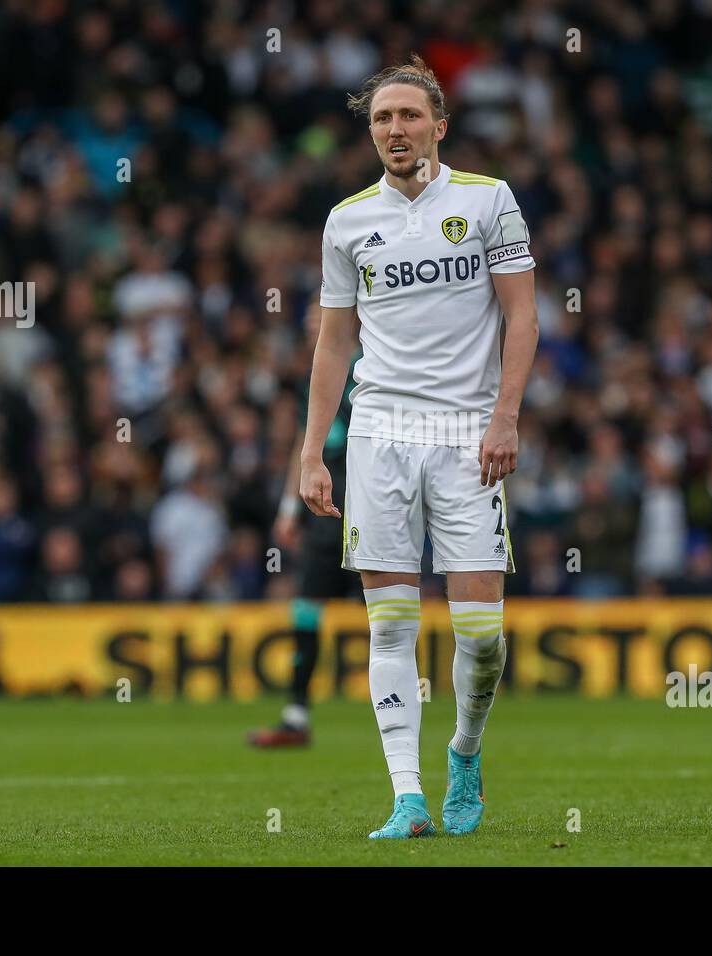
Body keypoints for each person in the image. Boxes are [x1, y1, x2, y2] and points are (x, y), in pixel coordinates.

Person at [301, 55, 538, 837]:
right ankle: (406, 797)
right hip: (378, 435)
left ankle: (464, 752)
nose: (395, 130)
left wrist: (505, 417)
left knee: (482, 638)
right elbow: (334, 345)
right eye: (381, 120)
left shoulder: (488, 200)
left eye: (408, 116)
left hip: (467, 435)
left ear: (440, 124)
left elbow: (523, 317)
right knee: (390, 626)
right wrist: (312, 450)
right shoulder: (347, 221)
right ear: (370, 133)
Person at [248, 296, 360, 747]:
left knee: (384, 606)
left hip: (365, 489)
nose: (313, 323)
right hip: (324, 498)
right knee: (307, 605)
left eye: (320, 315)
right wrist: (288, 508)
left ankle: (399, 714)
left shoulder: (370, 365)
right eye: (309, 317)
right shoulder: (313, 375)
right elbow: (304, 439)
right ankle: (296, 715)